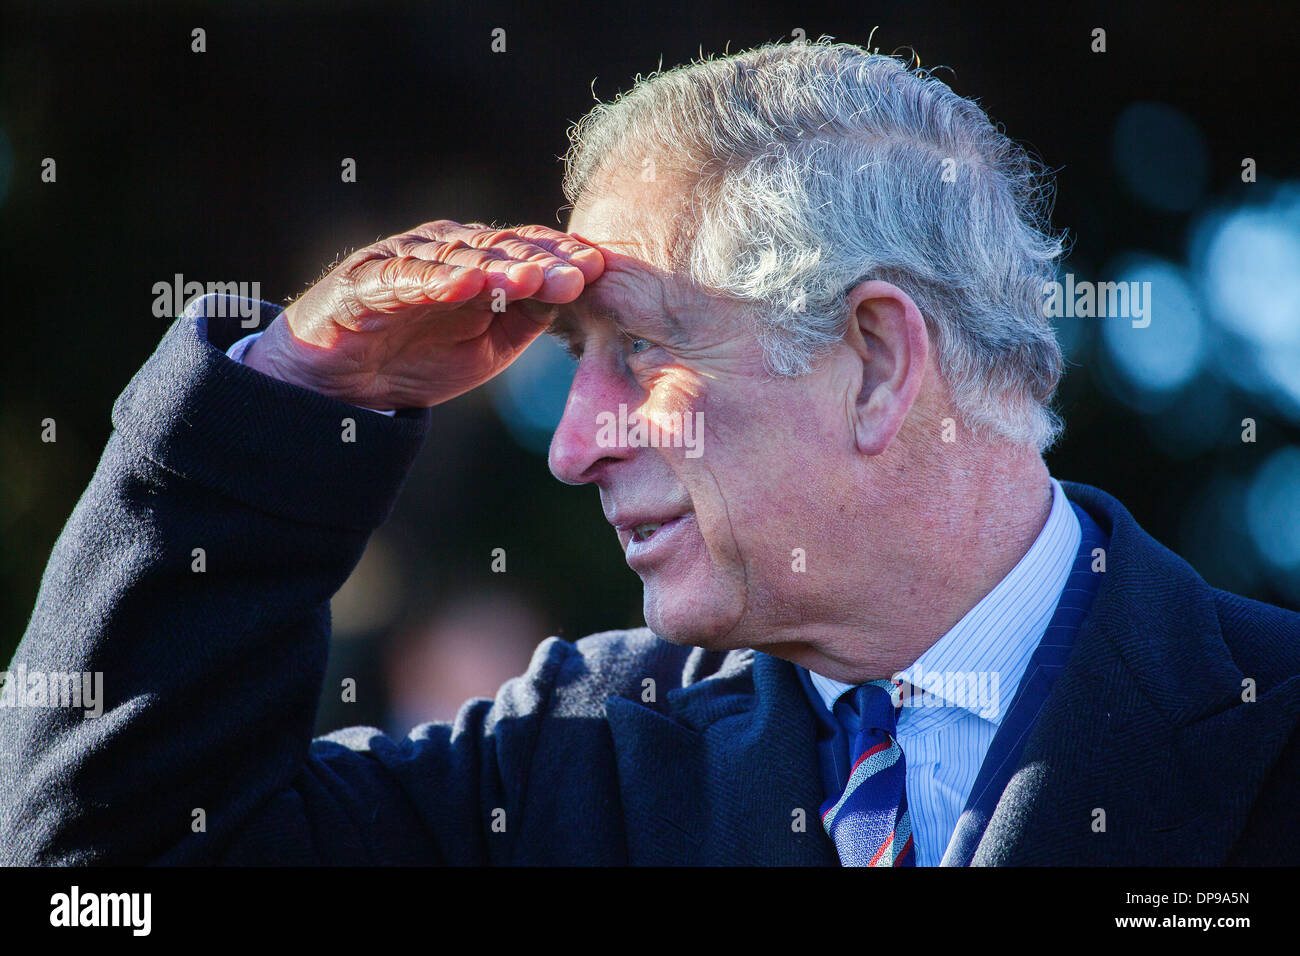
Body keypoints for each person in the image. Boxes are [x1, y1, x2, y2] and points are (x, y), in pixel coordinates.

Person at [3, 40, 1298, 866]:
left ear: (879, 361)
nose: (571, 448)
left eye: (635, 353)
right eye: (573, 365)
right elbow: (98, 878)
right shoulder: (578, 757)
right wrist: (282, 404)